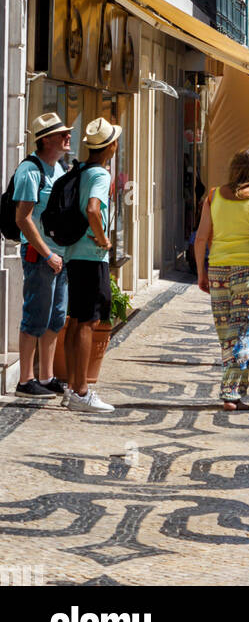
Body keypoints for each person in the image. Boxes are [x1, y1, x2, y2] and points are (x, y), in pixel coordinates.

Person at [195, 148, 249, 411]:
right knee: (242, 331)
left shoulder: (213, 196)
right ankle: (231, 393)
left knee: (226, 333)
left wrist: (201, 271)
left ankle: (233, 390)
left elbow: (200, 238)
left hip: (219, 270)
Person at [12, 112, 72, 401]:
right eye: (62, 134)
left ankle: (46, 377)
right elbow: (23, 218)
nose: (67, 136)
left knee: (55, 317)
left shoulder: (59, 168)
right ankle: (25, 380)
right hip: (39, 255)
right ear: (46, 139)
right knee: (35, 317)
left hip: (59, 256)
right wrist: (48, 254)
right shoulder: (31, 171)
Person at [64, 118, 122, 413]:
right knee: (88, 322)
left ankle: (72, 387)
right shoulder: (100, 174)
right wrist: (103, 240)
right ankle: (82, 391)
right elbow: (92, 209)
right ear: (111, 146)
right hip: (90, 256)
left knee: (75, 320)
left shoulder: (82, 170)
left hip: (75, 254)